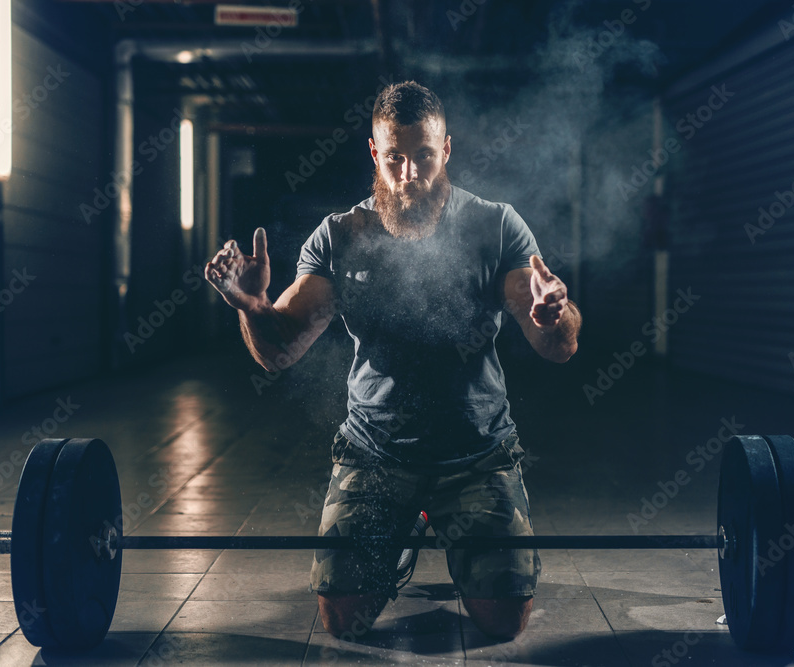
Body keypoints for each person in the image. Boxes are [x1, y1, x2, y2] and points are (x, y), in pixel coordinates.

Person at [204, 81, 580, 640]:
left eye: (424, 156)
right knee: (342, 621)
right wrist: (254, 308)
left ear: (445, 150)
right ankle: (400, 539)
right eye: (396, 158)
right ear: (376, 154)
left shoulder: (494, 226)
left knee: (502, 622)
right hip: (375, 452)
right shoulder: (339, 237)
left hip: (476, 453)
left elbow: (559, 344)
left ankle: (455, 531)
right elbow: (278, 353)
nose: (409, 175)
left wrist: (554, 315)